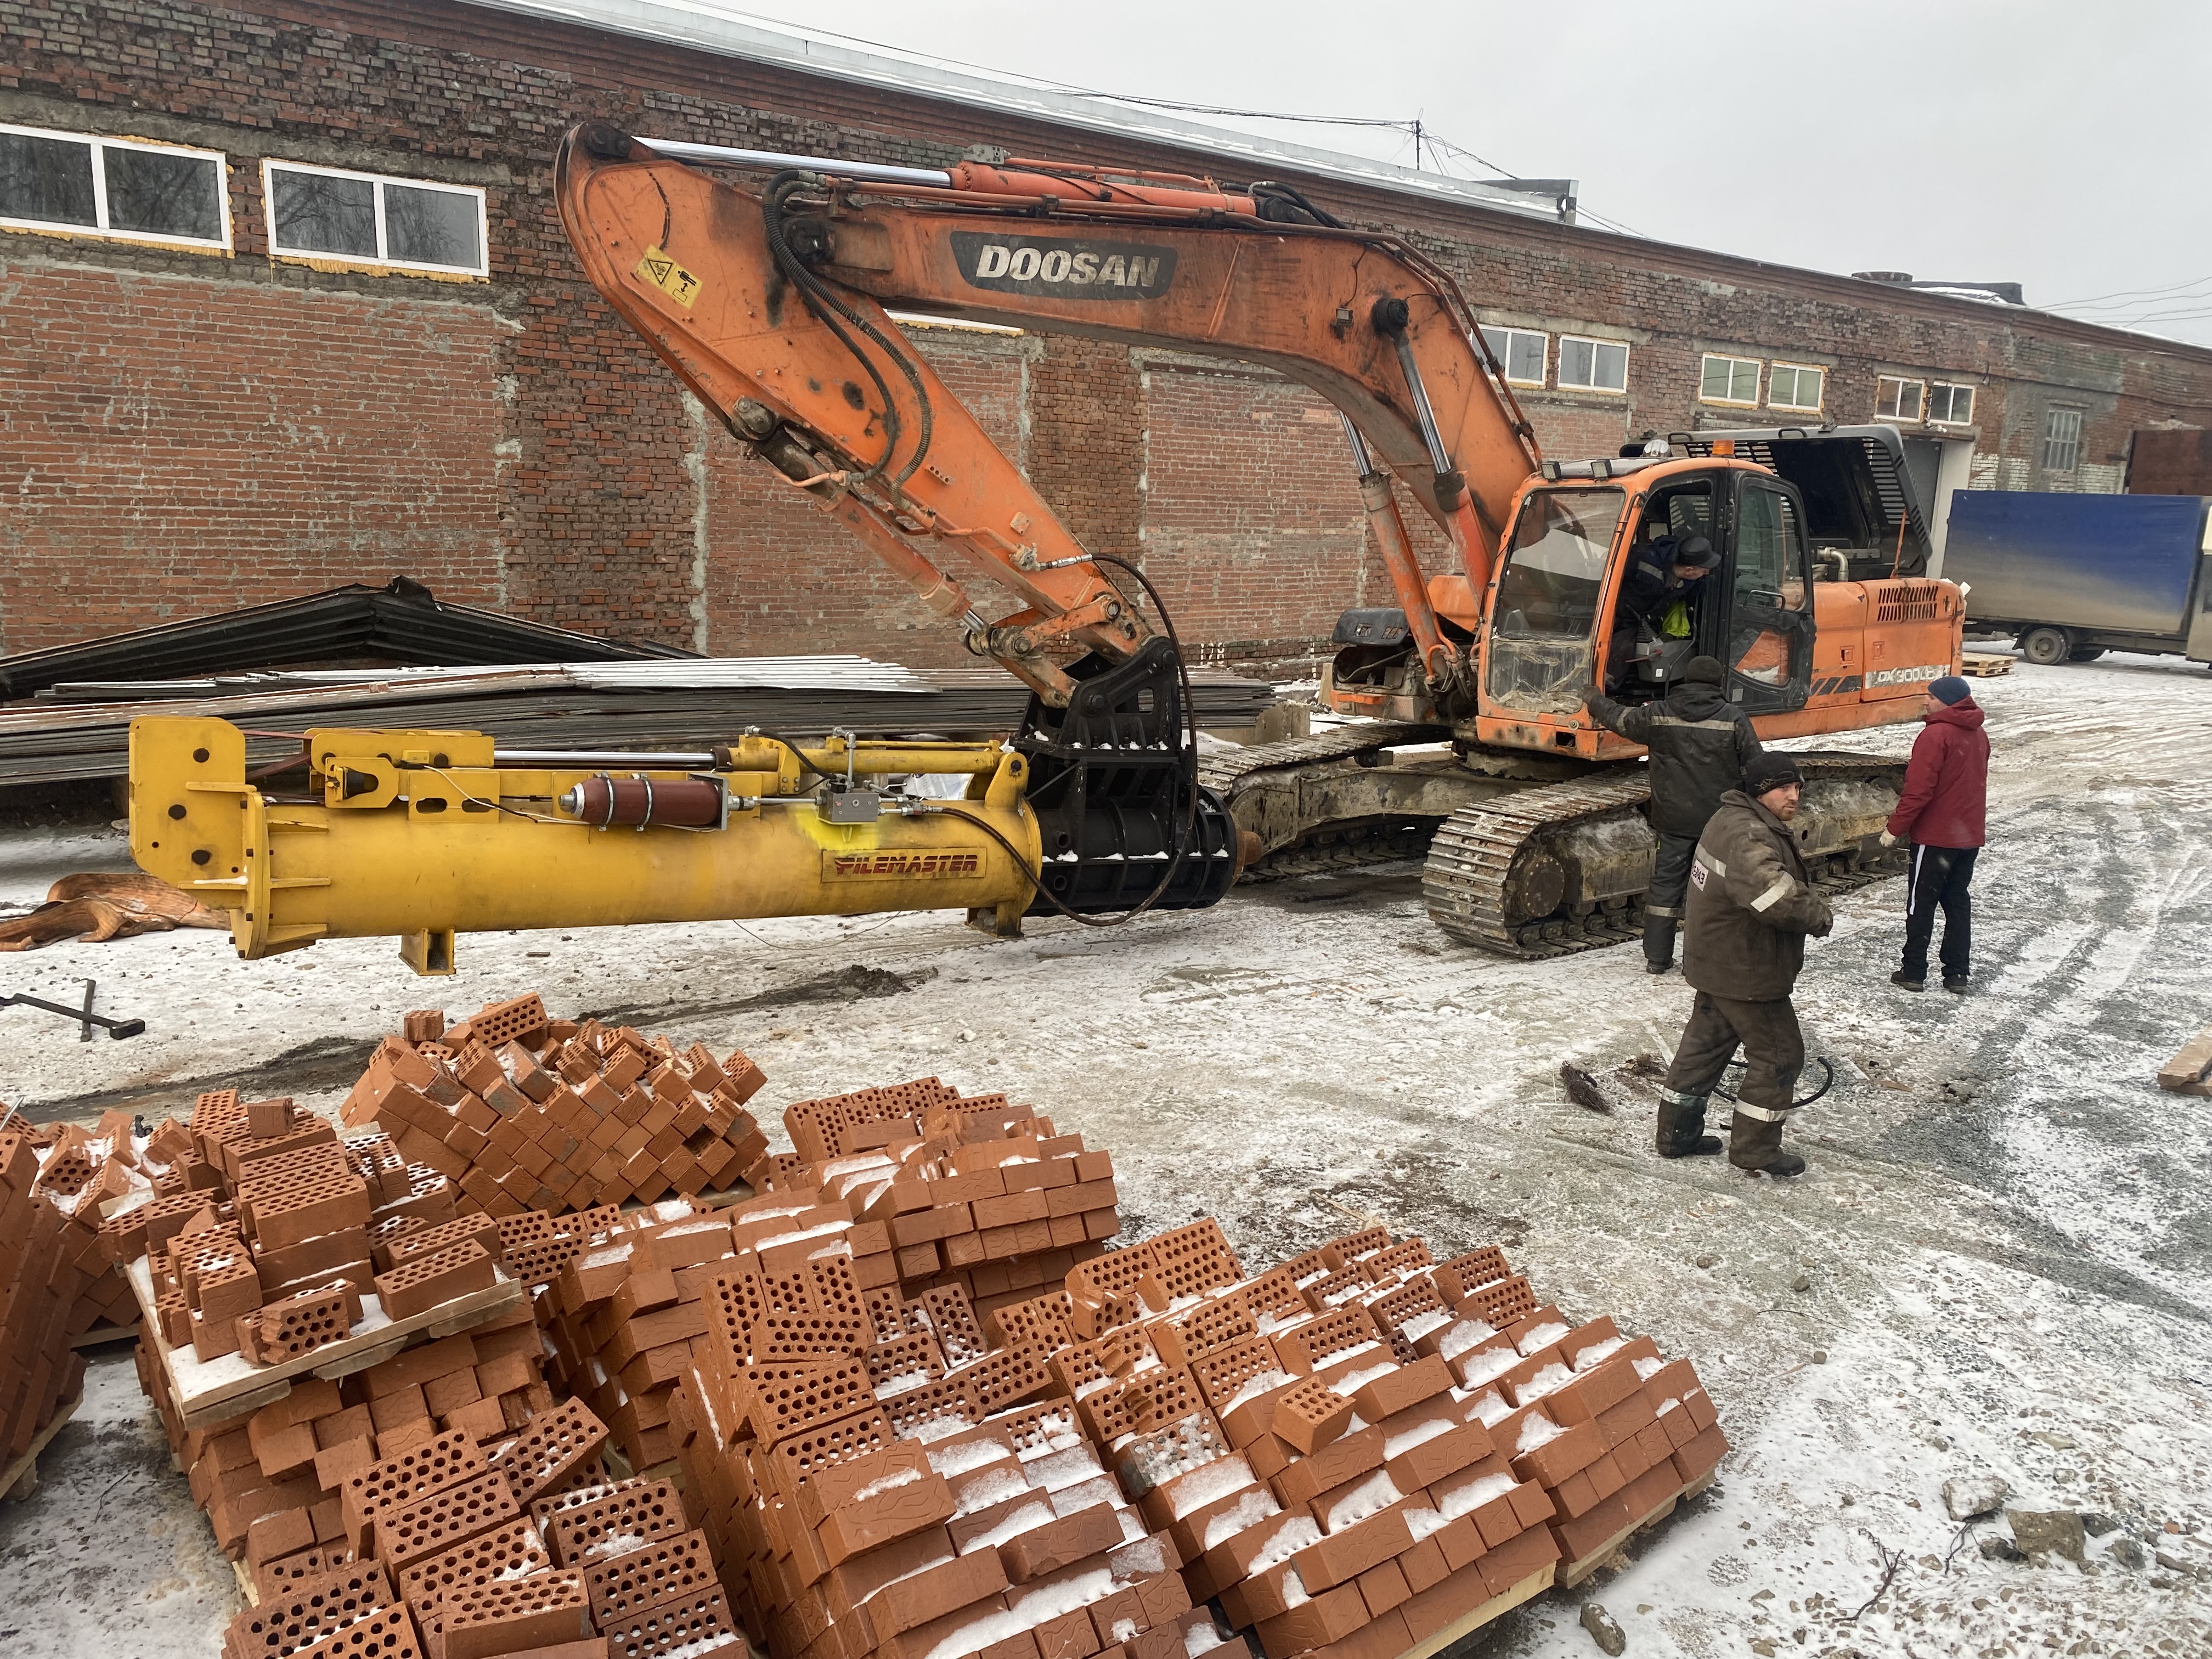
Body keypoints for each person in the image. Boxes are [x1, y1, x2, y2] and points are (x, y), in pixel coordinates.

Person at [1655, 753, 1833, 1173]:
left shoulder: (1727, 819)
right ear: (1758, 792)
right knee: (1780, 1056)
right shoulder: (1749, 834)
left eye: (1797, 788)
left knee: (1703, 1051)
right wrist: (1818, 915)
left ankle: (1676, 1136)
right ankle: (1756, 1150)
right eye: (1783, 789)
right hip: (1747, 969)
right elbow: (1775, 898)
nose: (1793, 797)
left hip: (1718, 961)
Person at [1587, 654, 1762, 974]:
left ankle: (1657, 958)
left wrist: (1593, 698)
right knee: (1716, 890)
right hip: (1719, 826)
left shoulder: (1659, 715)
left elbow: (1619, 718)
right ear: (1718, 684)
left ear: (1685, 680)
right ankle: (1704, 960)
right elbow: (1755, 767)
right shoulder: (1734, 718)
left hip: (1674, 822)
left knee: (1666, 887)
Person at [1879, 674, 1989, 993]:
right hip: (1968, 837)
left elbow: (1918, 792)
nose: (1925, 701)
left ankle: (1913, 971)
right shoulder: (1979, 734)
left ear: (1948, 701)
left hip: (1936, 837)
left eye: (1931, 696)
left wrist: (1894, 829)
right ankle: (1957, 974)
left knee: (1920, 904)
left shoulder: (1935, 735)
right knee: (1957, 902)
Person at [1606, 527, 1717, 690]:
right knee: (1616, 660)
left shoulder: (1689, 581)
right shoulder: (1639, 559)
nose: (1706, 574)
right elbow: (1606, 581)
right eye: (1704, 571)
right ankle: (1604, 687)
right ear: (1689, 570)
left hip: (1644, 618)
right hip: (1612, 613)